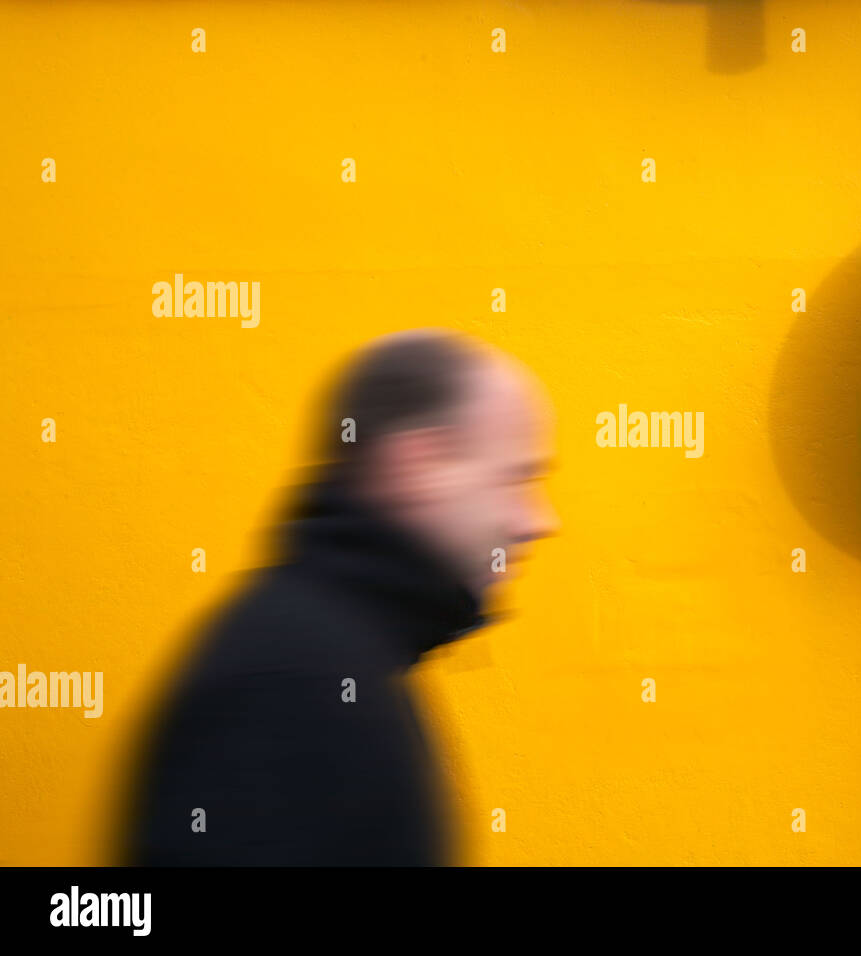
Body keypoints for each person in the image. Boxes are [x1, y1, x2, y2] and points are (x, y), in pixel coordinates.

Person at [121, 329, 557, 865]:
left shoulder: (353, 655)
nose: (540, 521)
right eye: (516, 479)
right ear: (421, 465)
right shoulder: (289, 681)